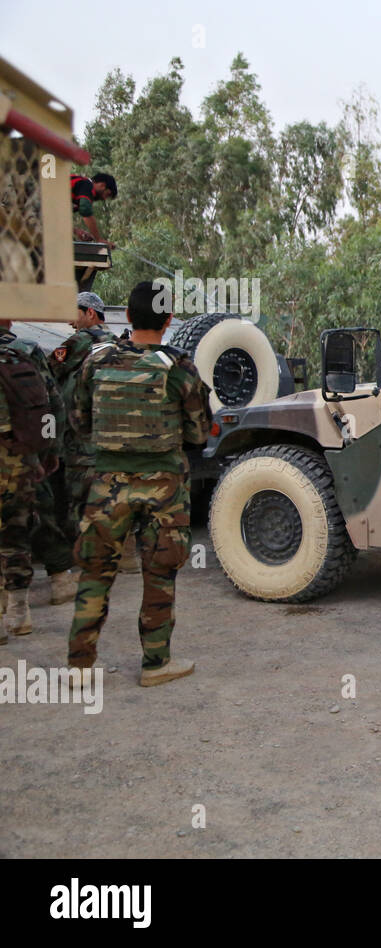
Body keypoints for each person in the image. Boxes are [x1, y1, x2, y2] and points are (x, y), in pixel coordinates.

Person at [66, 280, 211, 687]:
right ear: (168, 320)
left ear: (126, 316)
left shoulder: (96, 361)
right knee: (160, 574)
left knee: (95, 572)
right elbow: (199, 432)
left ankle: (79, 668)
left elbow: (77, 421)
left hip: (105, 486)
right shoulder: (178, 367)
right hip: (164, 487)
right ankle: (155, 664)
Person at [44, 291, 122, 597]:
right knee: (110, 501)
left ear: (90, 313)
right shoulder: (119, 343)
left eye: (73, 312)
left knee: (79, 504)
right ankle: (119, 558)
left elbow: (49, 369)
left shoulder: (78, 343)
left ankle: (90, 566)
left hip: (79, 443)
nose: (68, 319)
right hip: (112, 442)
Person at [0, 320, 65, 638]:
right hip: (20, 456)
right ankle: (18, 612)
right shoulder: (26, 350)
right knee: (16, 532)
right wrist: (49, 449)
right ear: (9, 319)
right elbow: (53, 405)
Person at [70, 172, 117, 247]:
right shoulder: (87, 184)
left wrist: (76, 231)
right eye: (107, 194)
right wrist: (99, 239)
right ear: (102, 185)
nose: (104, 199)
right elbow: (85, 209)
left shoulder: (76, 197)